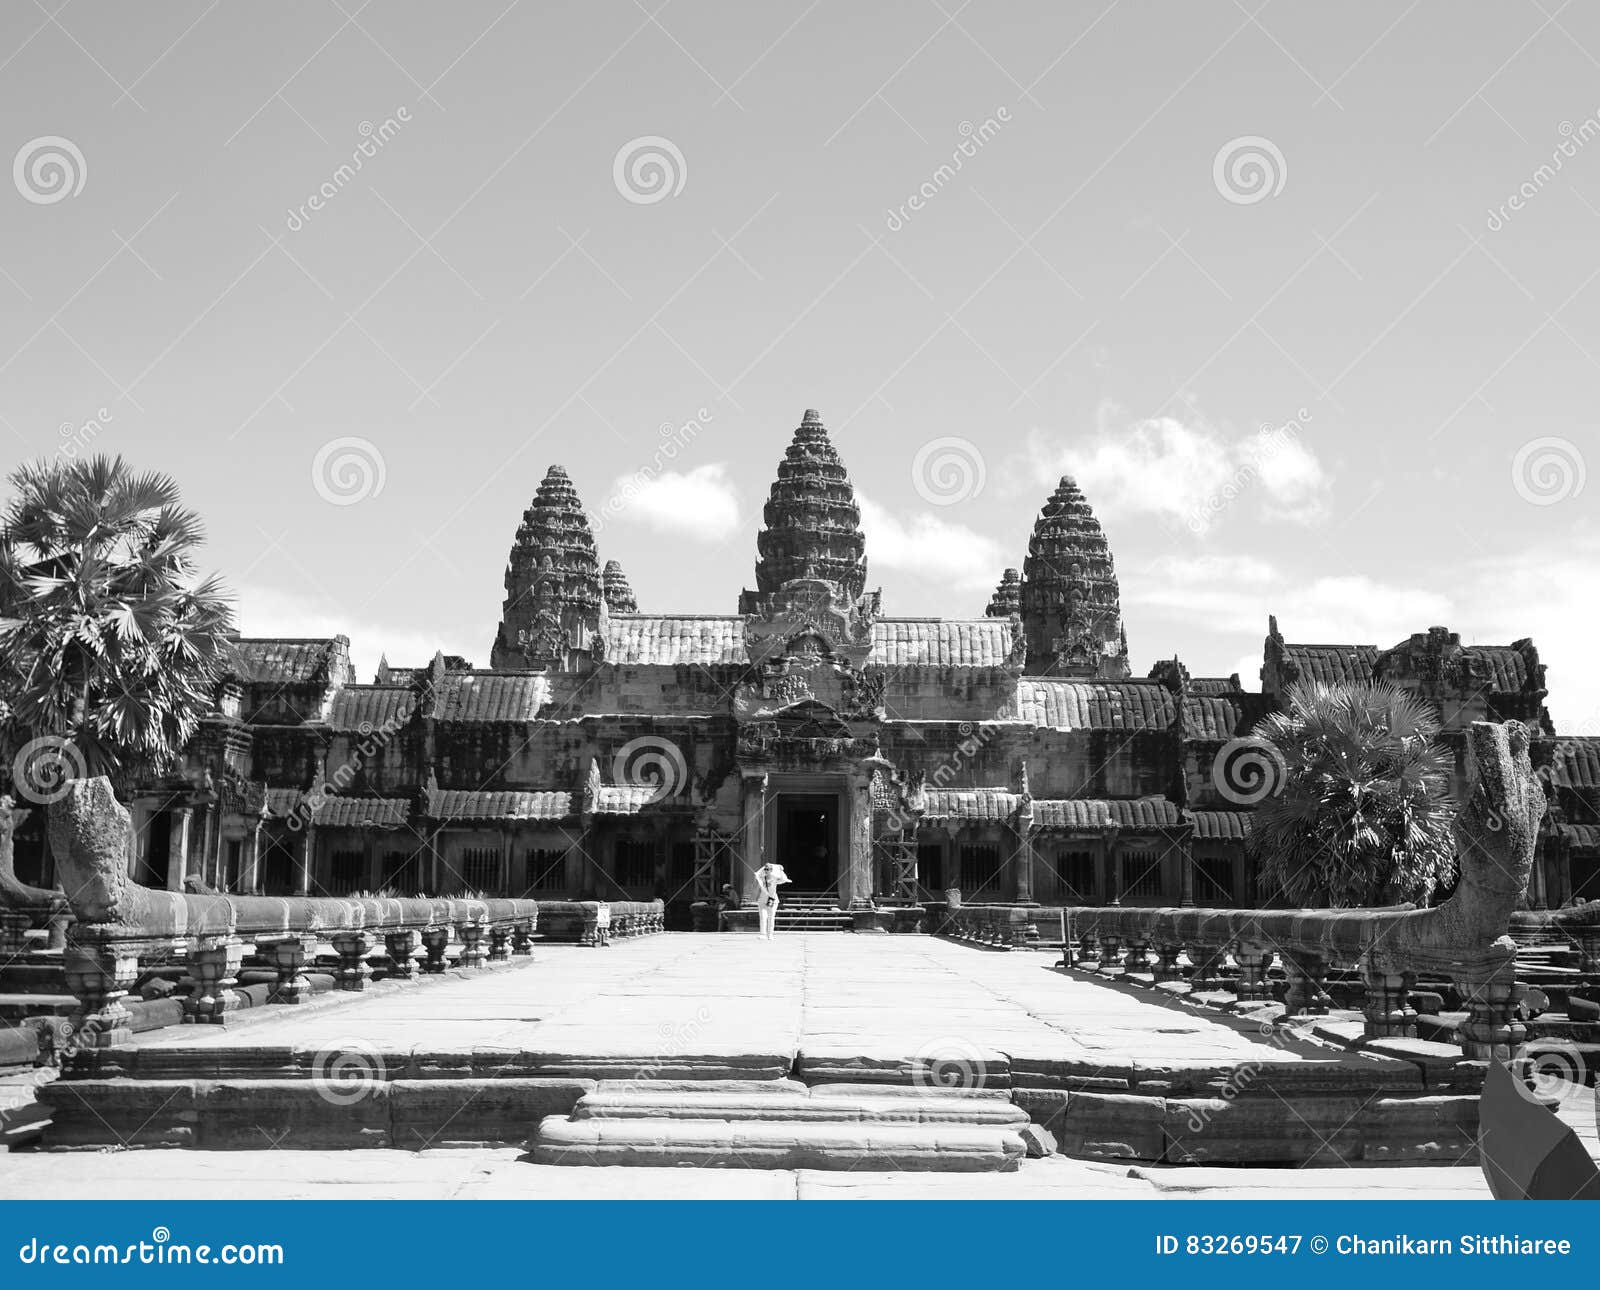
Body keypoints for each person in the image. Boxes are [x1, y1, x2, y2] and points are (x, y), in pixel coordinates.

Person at [755, 862, 790, 940]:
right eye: (765, 869)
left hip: (771, 899)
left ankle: (770, 934)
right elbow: (759, 887)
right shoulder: (761, 877)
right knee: (763, 916)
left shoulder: (775, 878)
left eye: (767, 869)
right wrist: (756, 896)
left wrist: (781, 870)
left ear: (771, 870)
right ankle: (762, 934)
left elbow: (784, 879)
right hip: (762, 899)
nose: (766, 870)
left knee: (770, 916)